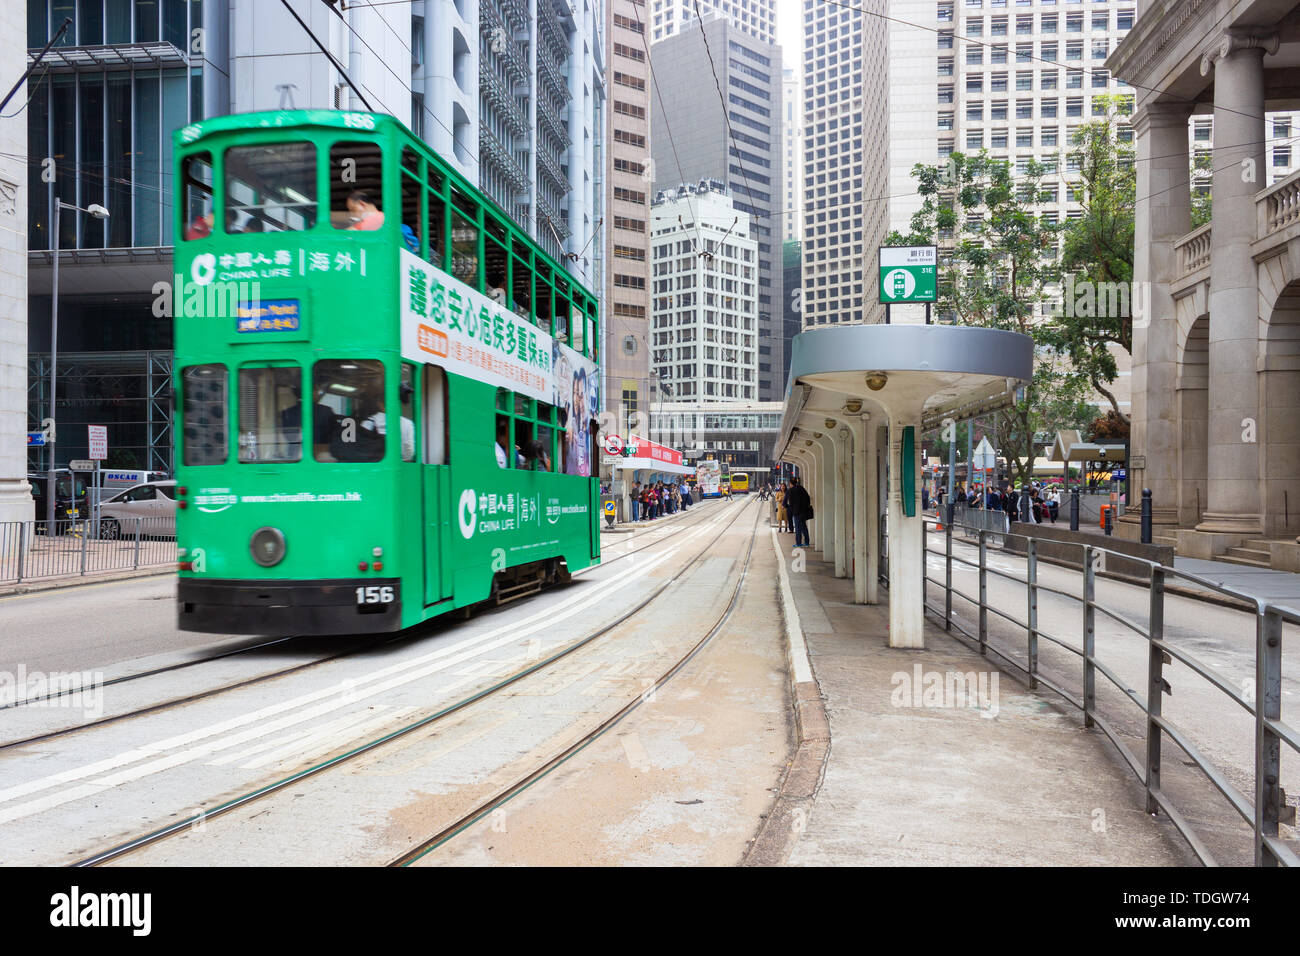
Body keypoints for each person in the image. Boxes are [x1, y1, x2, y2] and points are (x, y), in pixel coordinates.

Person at [786, 476, 812, 548]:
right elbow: (808, 497)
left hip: (796, 512)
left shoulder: (790, 490)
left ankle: (798, 543)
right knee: (804, 526)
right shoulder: (801, 488)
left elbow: (788, 502)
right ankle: (807, 542)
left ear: (790, 483)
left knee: (797, 528)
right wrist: (807, 506)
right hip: (803, 511)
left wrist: (790, 508)